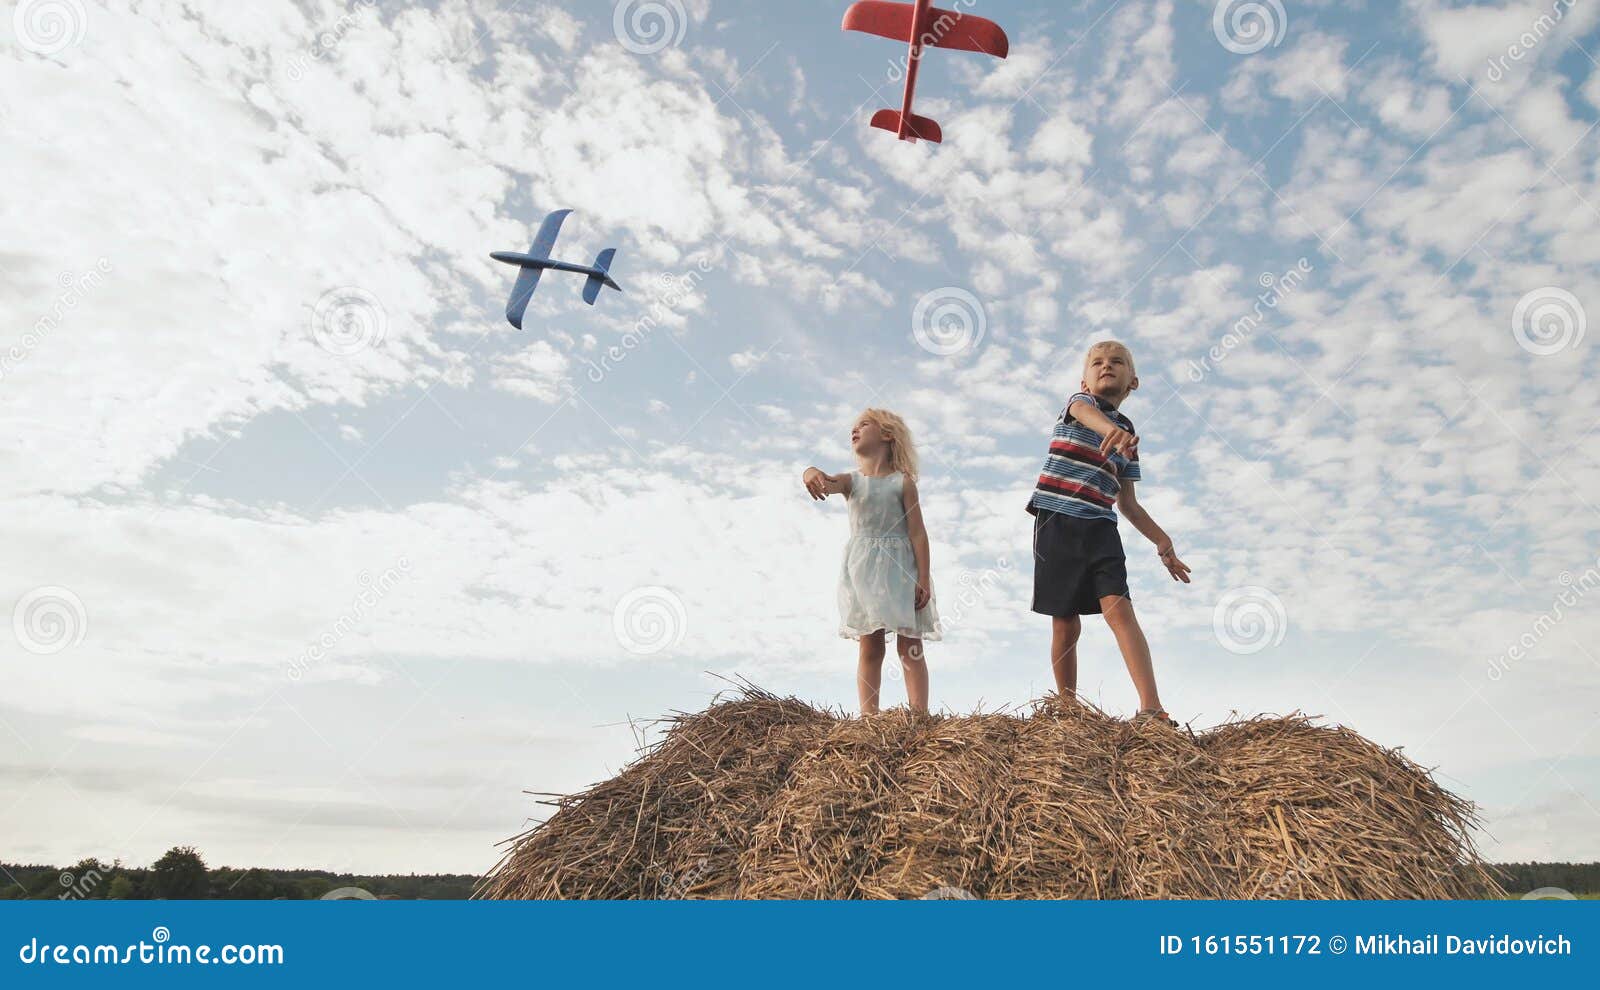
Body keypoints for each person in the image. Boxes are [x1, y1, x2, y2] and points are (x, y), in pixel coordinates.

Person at [1026, 341, 1191, 725]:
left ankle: (1152, 708)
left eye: (1117, 362)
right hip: (1057, 520)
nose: (1106, 366)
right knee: (1065, 620)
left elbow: (1128, 502)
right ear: (1083, 380)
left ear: (1133, 381)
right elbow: (1087, 414)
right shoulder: (1078, 405)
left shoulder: (1129, 435)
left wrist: (1162, 540)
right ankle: (1066, 709)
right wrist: (1110, 430)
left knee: (1120, 609)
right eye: (1097, 362)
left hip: (1102, 527)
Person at [803, 408, 940, 715]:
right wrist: (810, 473)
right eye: (853, 426)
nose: (855, 429)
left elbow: (918, 533)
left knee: (910, 644)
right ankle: (869, 718)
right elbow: (824, 480)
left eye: (864, 424)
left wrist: (924, 576)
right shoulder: (852, 482)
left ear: (887, 435)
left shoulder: (902, 483)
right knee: (870, 643)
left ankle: (919, 715)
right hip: (864, 572)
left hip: (902, 568)